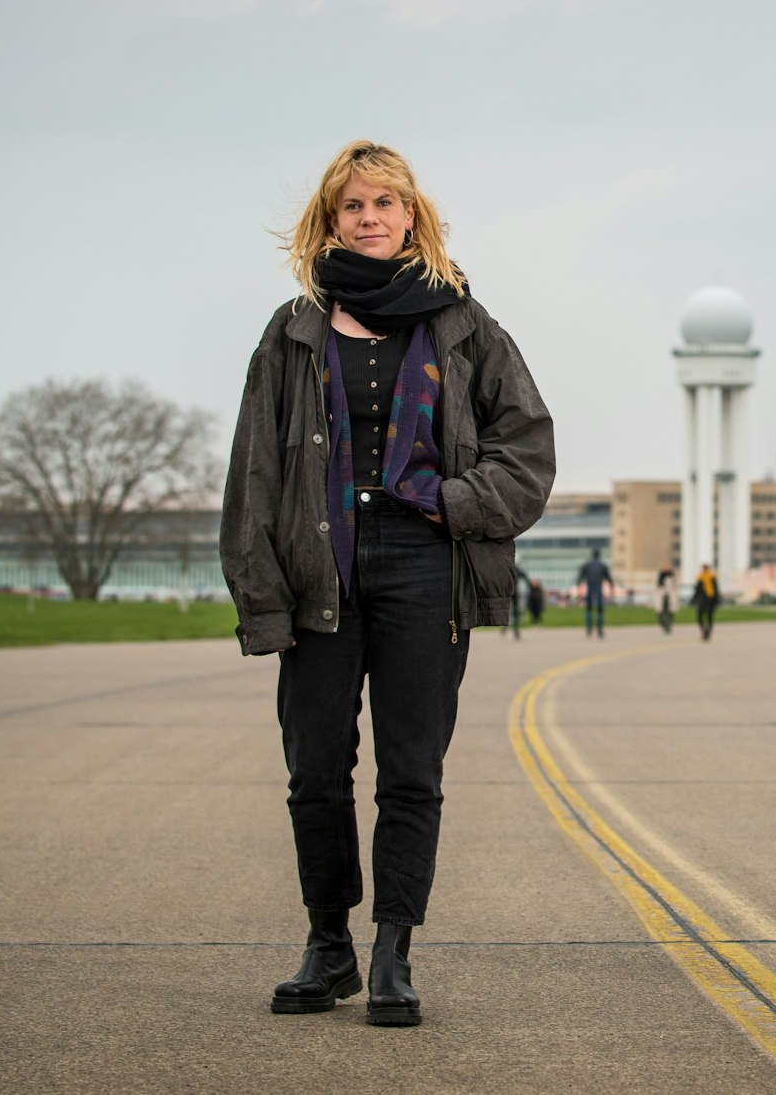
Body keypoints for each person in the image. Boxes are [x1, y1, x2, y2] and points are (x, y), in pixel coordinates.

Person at [220, 140, 556, 1026]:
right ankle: (327, 943)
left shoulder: (464, 326)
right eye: (352, 207)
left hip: (425, 562)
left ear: (413, 215)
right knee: (316, 767)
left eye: (384, 203)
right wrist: (261, 594)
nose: (369, 218)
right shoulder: (292, 330)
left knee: (413, 771)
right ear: (330, 222)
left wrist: (451, 499)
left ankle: (393, 951)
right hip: (320, 566)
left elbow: (528, 454)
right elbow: (254, 471)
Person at [576, 548, 614, 639]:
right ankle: (600, 629)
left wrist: (578, 587)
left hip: (590, 586)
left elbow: (580, 577)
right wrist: (612, 586)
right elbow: (608, 577)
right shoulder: (602, 565)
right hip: (598, 586)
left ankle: (589, 628)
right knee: (600, 610)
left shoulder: (587, 565)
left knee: (589, 609)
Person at [691, 563, 720, 641]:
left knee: (709, 617)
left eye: (705, 569)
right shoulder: (700, 578)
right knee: (700, 617)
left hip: (710, 600)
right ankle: (704, 630)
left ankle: (708, 633)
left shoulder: (712, 577)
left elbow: (716, 590)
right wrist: (693, 600)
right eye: (703, 569)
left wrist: (717, 601)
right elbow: (697, 590)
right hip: (702, 600)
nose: (704, 570)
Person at [655, 563, 678, 635]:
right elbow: (658, 585)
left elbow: (674, 586)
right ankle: (663, 624)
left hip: (670, 596)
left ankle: (668, 625)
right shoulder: (661, 575)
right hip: (663, 595)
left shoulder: (672, 575)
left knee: (670, 611)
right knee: (661, 611)